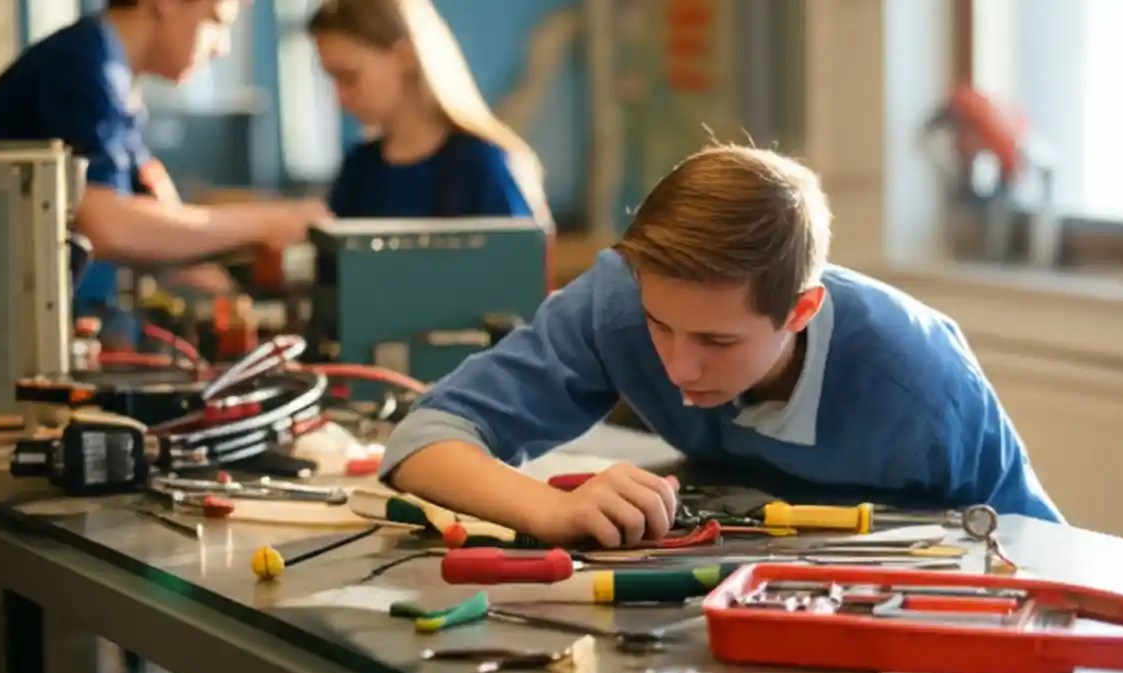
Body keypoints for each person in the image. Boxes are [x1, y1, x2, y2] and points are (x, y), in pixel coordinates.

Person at [379, 144, 1064, 549]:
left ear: (800, 311)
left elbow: (1043, 556)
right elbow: (426, 439)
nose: (677, 368)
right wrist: (552, 509)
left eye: (717, 339)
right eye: (660, 327)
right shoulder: (618, 300)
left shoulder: (925, 386)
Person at [0, 0, 330, 332]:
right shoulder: (81, 67)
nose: (222, 48)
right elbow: (108, 226)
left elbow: (156, 211)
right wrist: (270, 222)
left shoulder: (116, 79)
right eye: (216, 21)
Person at [307, 0, 552, 228]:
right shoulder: (359, 169)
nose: (339, 98)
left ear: (405, 56)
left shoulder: (482, 165)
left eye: (349, 78)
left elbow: (517, 268)